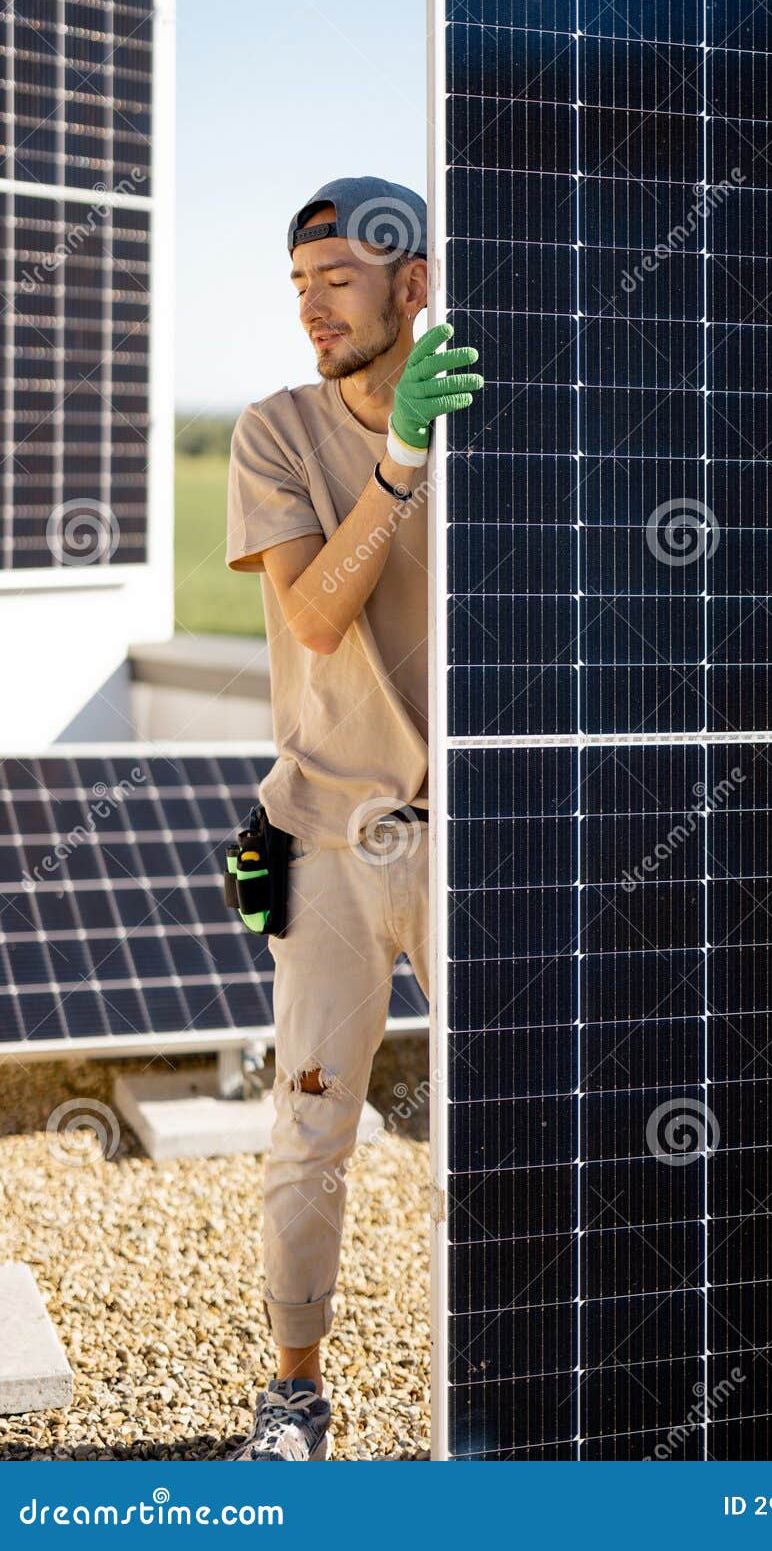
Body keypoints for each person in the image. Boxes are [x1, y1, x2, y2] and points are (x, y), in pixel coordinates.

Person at [224, 176, 482, 1459]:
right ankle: (293, 1390)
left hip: (468, 841)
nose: (314, 307)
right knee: (310, 1122)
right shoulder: (272, 432)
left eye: (339, 277)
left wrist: (440, 448)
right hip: (323, 837)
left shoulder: (495, 425)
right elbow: (316, 617)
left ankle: (517, 1381)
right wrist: (397, 467)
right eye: (300, 285)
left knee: (505, 1117)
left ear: (412, 284)